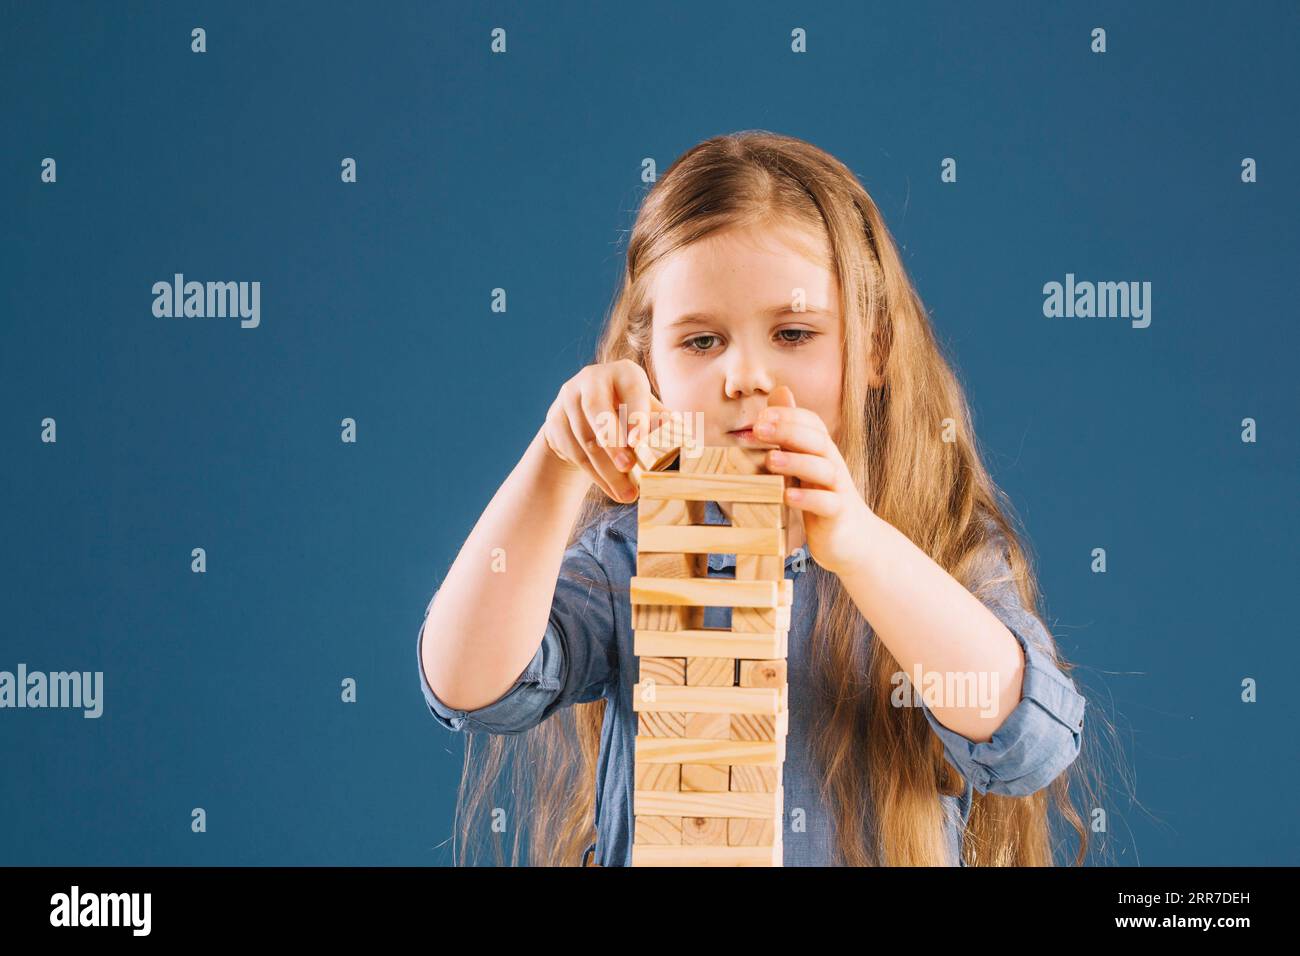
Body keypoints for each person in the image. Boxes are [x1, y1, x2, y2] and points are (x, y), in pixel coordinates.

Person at [417, 130, 1095, 866]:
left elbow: (1028, 740)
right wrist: (555, 459)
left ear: (873, 348)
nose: (744, 376)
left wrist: (861, 546)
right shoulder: (632, 556)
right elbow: (466, 683)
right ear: (650, 366)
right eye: (702, 342)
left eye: (794, 332)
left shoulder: (936, 546)